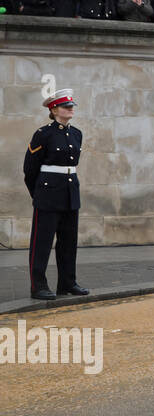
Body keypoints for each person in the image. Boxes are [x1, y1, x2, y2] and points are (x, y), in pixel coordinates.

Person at [23, 90, 89, 300]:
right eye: (65, 106)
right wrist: (39, 194)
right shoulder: (43, 134)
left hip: (70, 193)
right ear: (53, 110)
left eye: (71, 106)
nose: (70, 109)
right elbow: (30, 169)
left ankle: (67, 283)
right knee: (41, 243)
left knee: (68, 242)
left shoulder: (77, 133)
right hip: (48, 194)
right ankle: (38, 286)